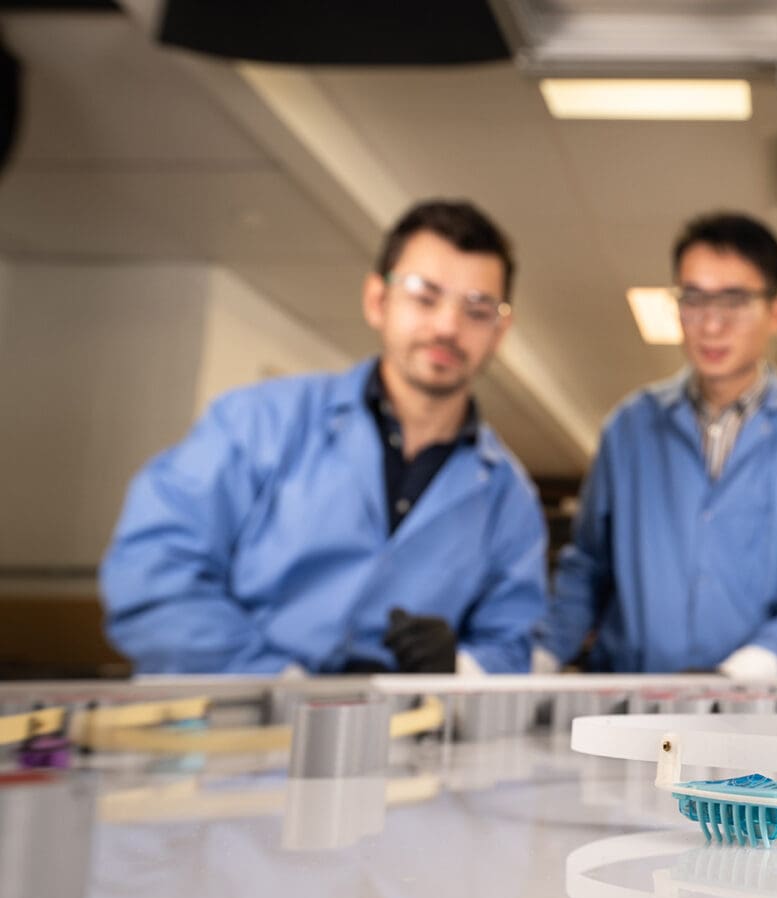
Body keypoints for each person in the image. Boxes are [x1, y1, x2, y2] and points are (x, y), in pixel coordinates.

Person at [100, 200, 546, 674]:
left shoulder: (509, 498)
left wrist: (458, 668)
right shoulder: (256, 423)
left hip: (397, 741)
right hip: (220, 727)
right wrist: (277, 684)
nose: (447, 326)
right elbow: (151, 577)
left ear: (500, 331)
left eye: (478, 309)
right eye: (424, 295)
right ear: (378, 300)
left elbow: (515, 644)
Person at [535, 212, 777, 677]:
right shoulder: (628, 429)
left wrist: (738, 677)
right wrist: (538, 658)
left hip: (766, 719)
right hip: (633, 709)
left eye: (734, 301)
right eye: (693, 299)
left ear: (776, 312)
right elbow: (586, 570)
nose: (710, 325)